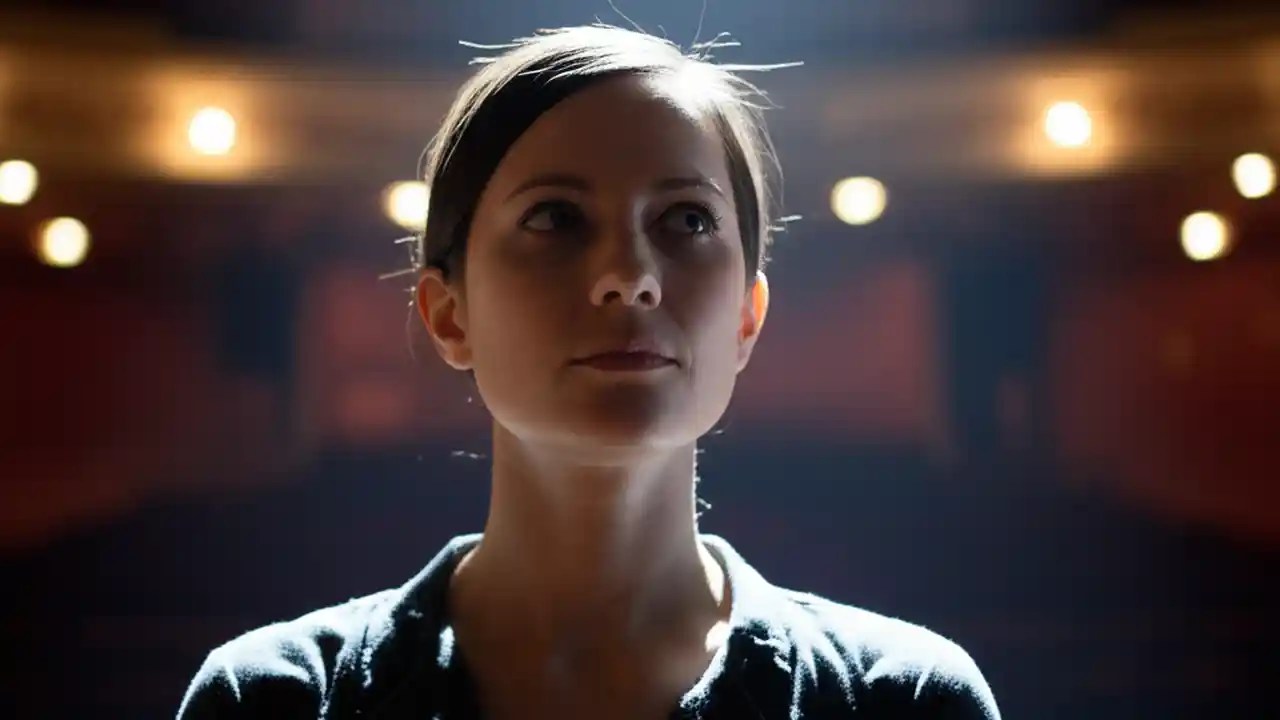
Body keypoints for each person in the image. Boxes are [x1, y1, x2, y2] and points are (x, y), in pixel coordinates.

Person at [176, 24, 1002, 720]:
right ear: (447, 314)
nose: (629, 275)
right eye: (556, 218)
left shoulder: (902, 699)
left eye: (685, 219)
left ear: (746, 318)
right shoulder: (274, 699)